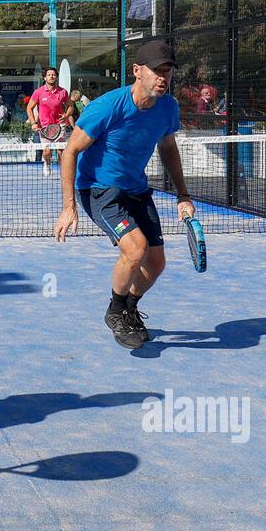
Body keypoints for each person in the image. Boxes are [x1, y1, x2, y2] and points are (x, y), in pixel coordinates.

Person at [54, 40, 194, 350]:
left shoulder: (167, 107)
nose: (163, 77)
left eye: (168, 71)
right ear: (137, 71)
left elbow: (168, 147)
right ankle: (116, 312)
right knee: (136, 250)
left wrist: (183, 195)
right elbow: (70, 152)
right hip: (100, 189)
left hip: (137, 189)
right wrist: (69, 207)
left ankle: (129, 309)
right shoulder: (107, 107)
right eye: (157, 70)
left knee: (156, 264)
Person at [27, 67, 71, 172]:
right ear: (45, 78)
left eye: (53, 75)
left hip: (60, 126)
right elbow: (29, 108)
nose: (51, 76)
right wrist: (33, 123)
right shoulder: (38, 92)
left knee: (61, 151)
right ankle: (47, 164)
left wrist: (66, 115)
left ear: (56, 77)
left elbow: (70, 106)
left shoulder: (63, 92)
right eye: (49, 75)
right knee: (47, 152)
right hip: (45, 127)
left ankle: (63, 171)